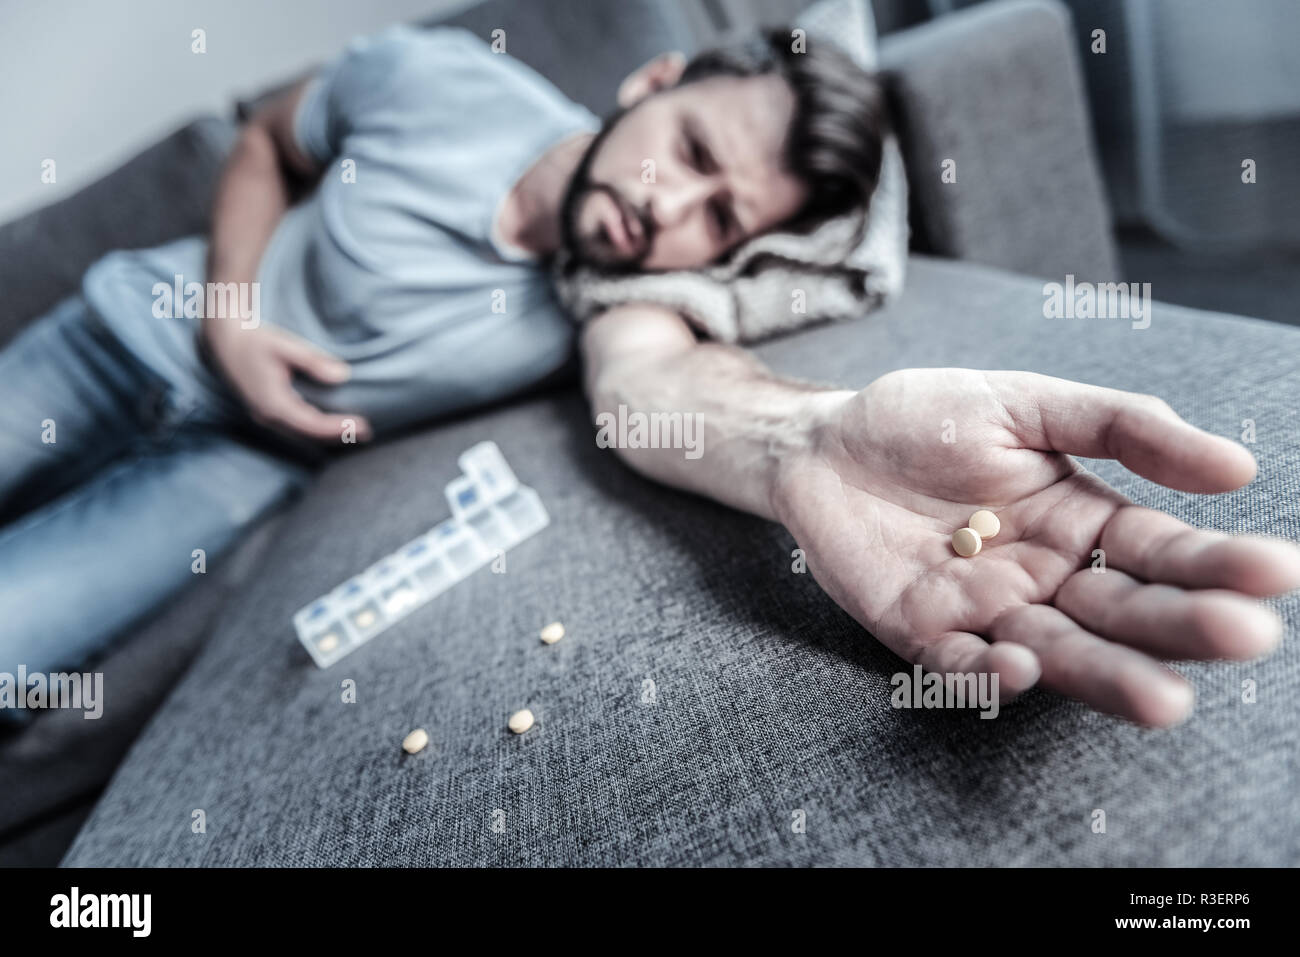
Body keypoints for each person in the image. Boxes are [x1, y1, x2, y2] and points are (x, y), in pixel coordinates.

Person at [1, 25, 1295, 728]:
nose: (663, 207)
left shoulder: (614, 293)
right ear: (652, 81)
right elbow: (264, 136)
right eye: (684, 149)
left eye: (719, 218)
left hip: (244, 465)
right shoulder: (445, 81)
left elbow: (664, 380)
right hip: (130, 329)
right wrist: (230, 313)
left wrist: (805, 445)